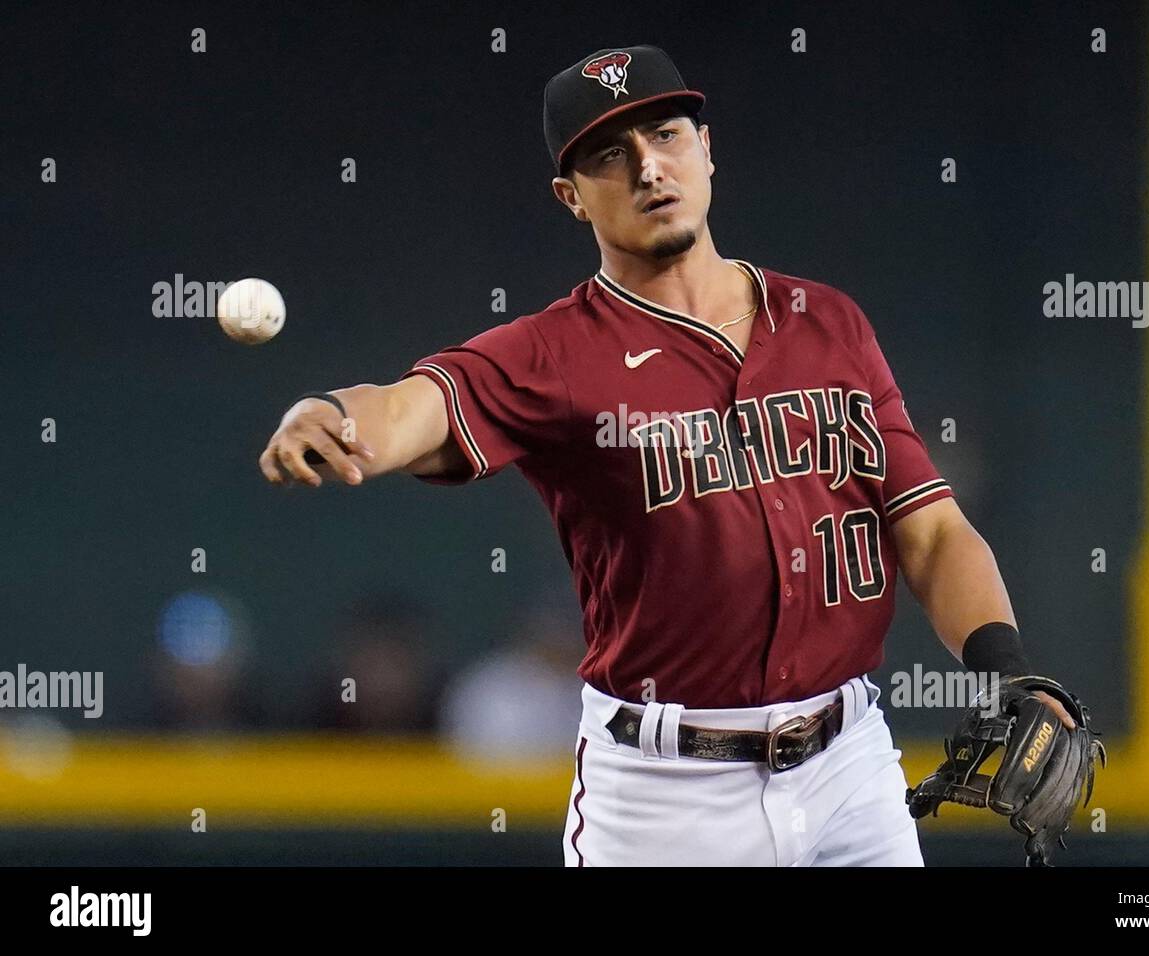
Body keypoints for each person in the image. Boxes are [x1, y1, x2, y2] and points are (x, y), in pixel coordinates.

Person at [258, 44, 1078, 866]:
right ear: (570, 197)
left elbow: (929, 531)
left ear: (707, 148)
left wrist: (1010, 670)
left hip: (849, 767)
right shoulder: (554, 353)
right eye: (610, 155)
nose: (649, 167)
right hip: (666, 795)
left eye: (666, 134)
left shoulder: (828, 323)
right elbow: (415, 404)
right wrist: (331, 412)